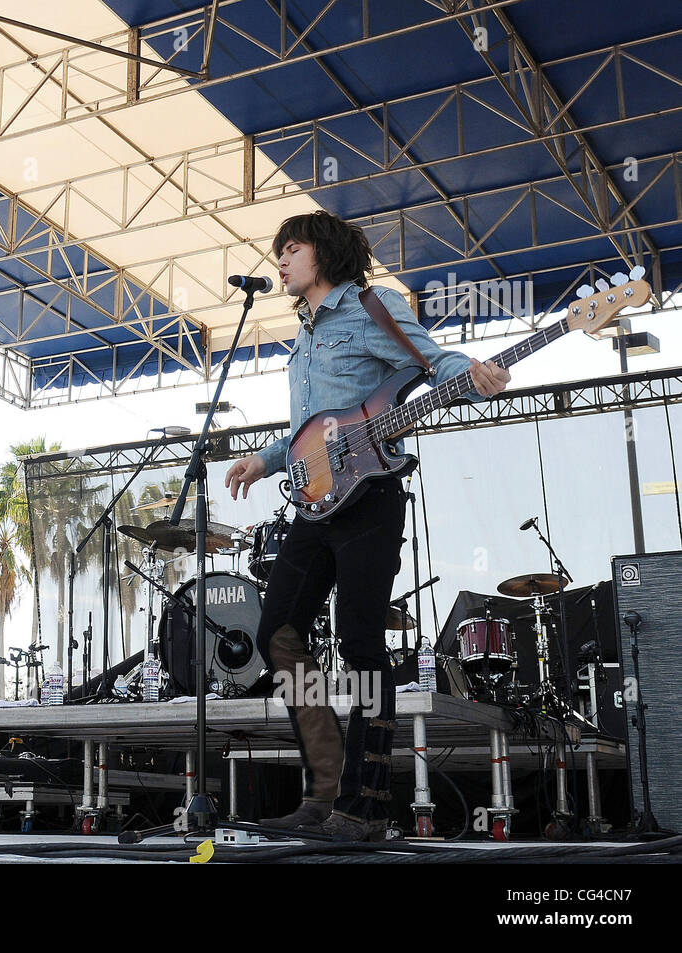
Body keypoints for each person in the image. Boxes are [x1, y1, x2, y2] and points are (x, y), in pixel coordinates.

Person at [225, 211, 511, 841]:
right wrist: (264, 460)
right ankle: (324, 794)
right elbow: (308, 431)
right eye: (279, 252)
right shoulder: (301, 340)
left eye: (291, 249)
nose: (280, 260)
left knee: (360, 644)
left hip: (372, 498)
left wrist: (476, 374)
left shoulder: (371, 307)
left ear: (321, 254)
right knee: (279, 633)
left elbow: (432, 360)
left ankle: (368, 804)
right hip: (313, 505)